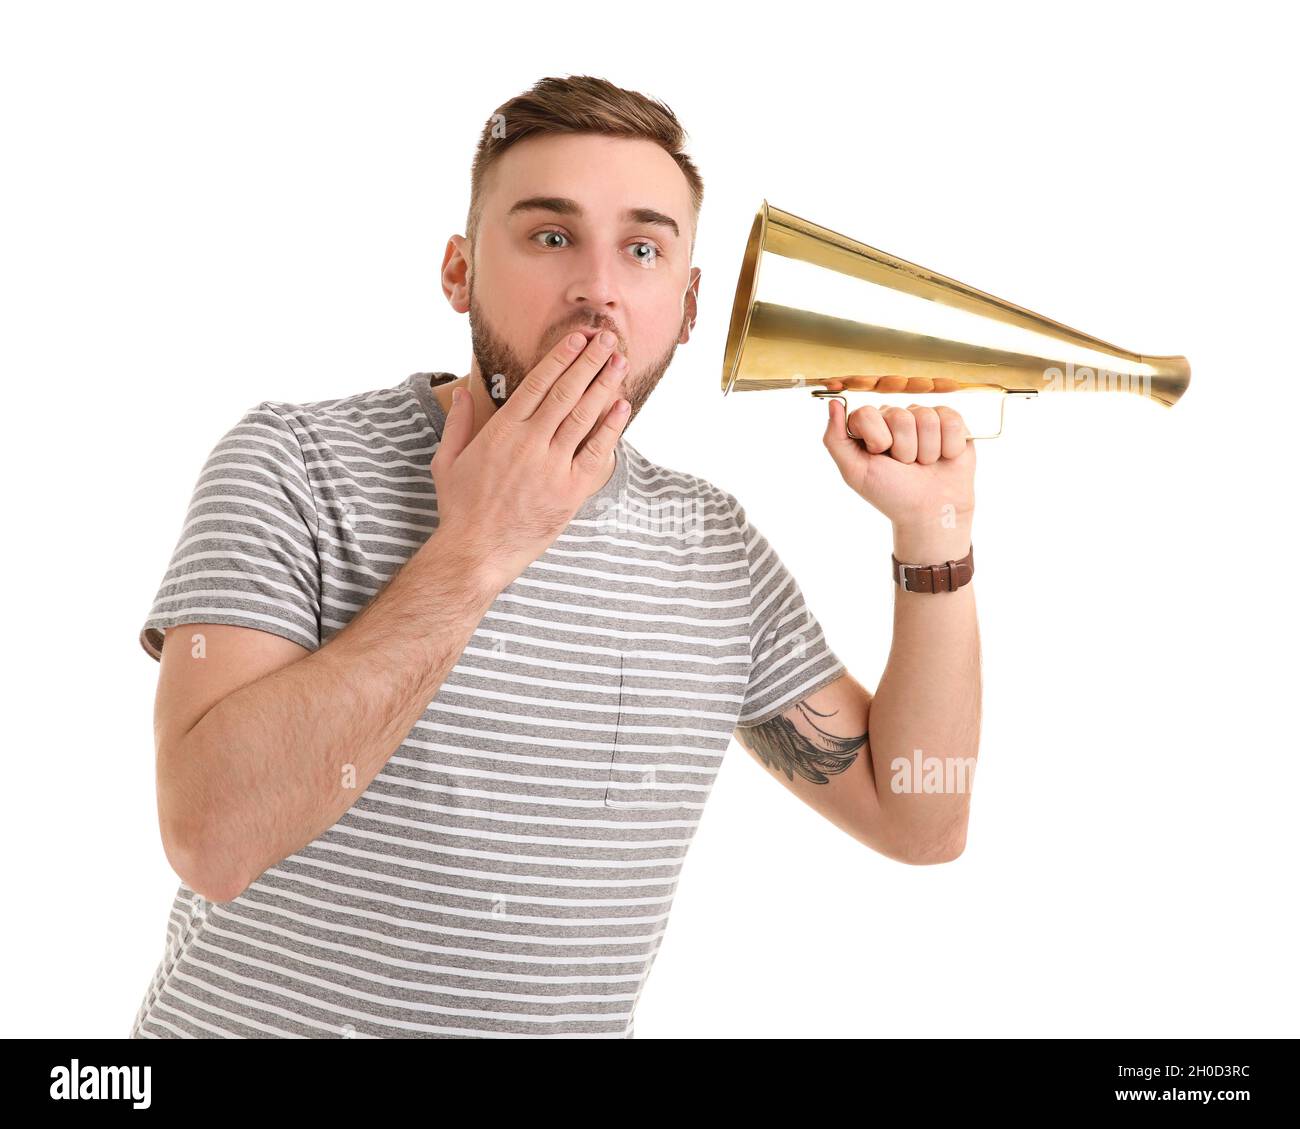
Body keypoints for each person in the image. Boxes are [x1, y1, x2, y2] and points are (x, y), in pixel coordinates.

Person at [131, 75, 980, 1040]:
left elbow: (919, 821)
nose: (598, 288)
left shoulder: (712, 547)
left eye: (644, 248)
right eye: (549, 235)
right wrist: (478, 545)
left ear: (689, 304)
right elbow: (211, 838)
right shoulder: (292, 464)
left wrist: (934, 536)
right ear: (458, 271)